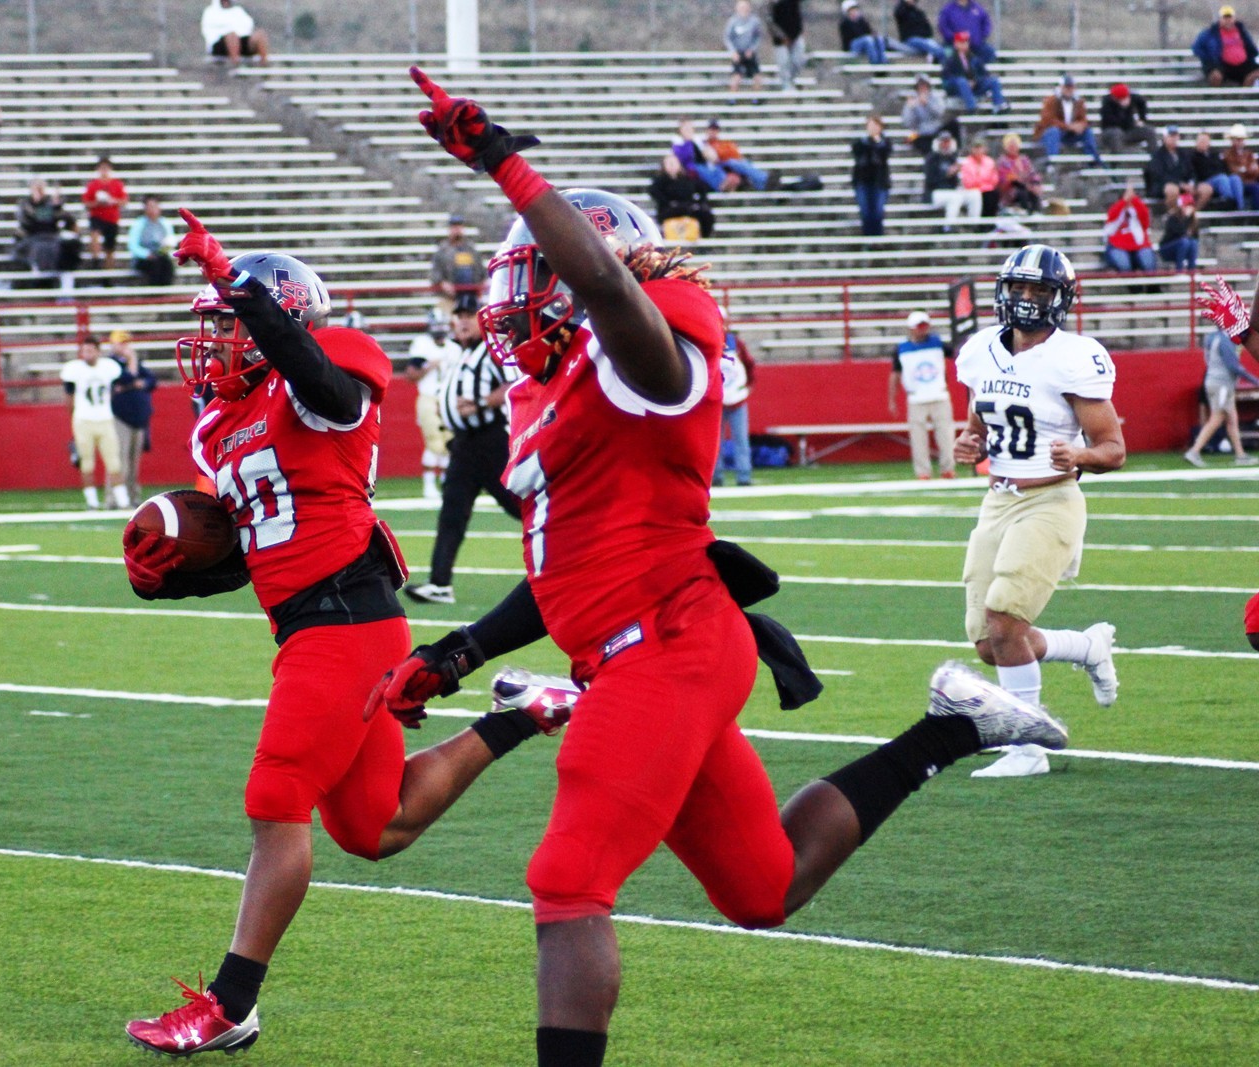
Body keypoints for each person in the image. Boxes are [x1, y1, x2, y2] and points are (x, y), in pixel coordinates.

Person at [390, 69, 1072, 1067]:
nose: (509, 296)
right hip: (634, 643)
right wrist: (455, 651)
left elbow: (615, 295)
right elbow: (568, 571)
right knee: (764, 886)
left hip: (665, 645)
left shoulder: (647, 356)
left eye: (535, 272)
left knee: (566, 872)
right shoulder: (548, 393)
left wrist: (506, 161)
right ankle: (952, 723)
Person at [121, 214, 563, 1055]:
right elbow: (253, 551)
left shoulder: (328, 374)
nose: (211, 342)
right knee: (374, 823)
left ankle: (229, 1003)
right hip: (314, 623)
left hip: (346, 618)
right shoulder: (217, 425)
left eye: (225, 324)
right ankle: (521, 710)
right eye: (210, 324)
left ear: (270, 319)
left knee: (275, 797)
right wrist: (170, 575)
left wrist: (240, 286)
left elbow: (324, 387)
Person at [951, 245, 1123, 777]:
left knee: (1006, 619)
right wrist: (972, 442)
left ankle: (1028, 745)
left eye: (1040, 290)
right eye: (1020, 289)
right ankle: (1086, 646)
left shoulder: (1074, 354)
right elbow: (982, 419)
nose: (1027, 299)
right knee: (988, 642)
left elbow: (1112, 448)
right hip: (998, 498)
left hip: (1050, 498)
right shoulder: (980, 350)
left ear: (1060, 299)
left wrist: (1080, 455)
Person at [405, 295, 522, 605]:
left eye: (470, 314)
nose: (463, 320)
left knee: (521, 505)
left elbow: (515, 384)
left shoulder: (492, 351)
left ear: (481, 319)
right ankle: (439, 583)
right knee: (451, 514)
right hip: (465, 444)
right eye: (459, 315)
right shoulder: (459, 353)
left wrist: (482, 404)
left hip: (489, 441)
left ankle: (569, 551)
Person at [60, 336, 128, 510]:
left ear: (98, 351)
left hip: (105, 419)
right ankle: (92, 502)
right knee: (86, 463)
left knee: (114, 462)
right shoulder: (74, 369)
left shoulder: (109, 367)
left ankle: (123, 501)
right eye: (84, 351)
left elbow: (117, 387)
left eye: (90, 350)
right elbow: (69, 396)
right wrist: (74, 417)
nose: (87, 354)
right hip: (83, 420)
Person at [889, 311, 957, 479]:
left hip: (939, 395)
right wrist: (892, 399)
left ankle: (948, 469)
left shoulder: (937, 343)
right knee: (918, 438)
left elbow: (957, 355)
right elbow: (895, 374)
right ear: (911, 328)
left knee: (946, 436)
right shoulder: (901, 349)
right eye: (919, 327)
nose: (923, 330)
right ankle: (923, 472)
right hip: (916, 397)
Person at [405, 307, 460, 499]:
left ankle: (446, 482)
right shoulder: (422, 344)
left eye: (442, 324)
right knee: (434, 442)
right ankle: (429, 485)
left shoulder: (455, 347)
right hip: (429, 397)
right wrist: (429, 366)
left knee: (448, 443)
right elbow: (411, 374)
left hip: (449, 399)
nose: (439, 329)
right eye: (436, 324)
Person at [1184, 325, 1259, 467]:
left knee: (1232, 419)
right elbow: (1233, 366)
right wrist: (1254, 380)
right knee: (1217, 418)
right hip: (1222, 384)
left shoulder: (1213, 337)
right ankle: (1194, 451)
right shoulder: (1225, 339)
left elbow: (1209, 359)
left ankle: (1240, 454)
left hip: (1218, 381)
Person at [108, 330, 157, 506]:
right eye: (121, 343)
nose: (125, 347)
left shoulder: (132, 363)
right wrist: (132, 363)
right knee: (119, 461)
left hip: (139, 418)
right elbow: (128, 376)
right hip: (120, 417)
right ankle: (114, 499)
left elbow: (151, 380)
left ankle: (132, 497)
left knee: (133, 463)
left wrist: (134, 382)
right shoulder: (111, 363)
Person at [715, 310, 755, 487]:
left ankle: (744, 476)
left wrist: (748, 385)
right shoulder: (708, 340)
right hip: (716, 400)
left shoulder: (736, 343)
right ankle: (715, 476)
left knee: (741, 439)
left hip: (736, 398)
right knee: (715, 442)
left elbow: (748, 363)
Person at [1034, 75, 1103, 167]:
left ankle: (1093, 160)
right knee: (1053, 131)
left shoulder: (1079, 101)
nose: (1069, 90)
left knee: (1088, 132)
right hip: (1053, 132)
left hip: (1069, 133)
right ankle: (1052, 161)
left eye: (1071, 87)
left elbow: (1084, 118)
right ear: (1061, 87)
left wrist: (1080, 125)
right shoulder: (1051, 100)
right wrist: (1069, 126)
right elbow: (1048, 120)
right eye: (1067, 87)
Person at [1144, 127, 1214, 211]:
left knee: (1206, 189)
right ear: (1165, 138)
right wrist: (1180, 184)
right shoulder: (1158, 155)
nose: (1174, 139)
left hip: (1184, 185)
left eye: (1175, 136)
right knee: (1172, 190)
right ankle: (1174, 215)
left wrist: (1192, 183)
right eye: (1171, 136)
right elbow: (1159, 175)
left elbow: (1191, 171)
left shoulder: (1183, 154)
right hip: (1163, 187)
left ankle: (1192, 214)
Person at [649, 152, 715, 241]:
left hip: (688, 207)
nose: (672, 166)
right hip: (668, 209)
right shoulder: (659, 181)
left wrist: (699, 202)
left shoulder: (688, 179)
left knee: (705, 213)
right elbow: (655, 193)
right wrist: (668, 203)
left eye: (674, 163)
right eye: (669, 163)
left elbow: (702, 189)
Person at [941, 30, 1008, 114]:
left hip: (974, 87)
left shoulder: (974, 58)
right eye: (961, 42)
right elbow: (946, 77)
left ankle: (998, 105)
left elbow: (984, 74)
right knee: (962, 81)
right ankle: (972, 107)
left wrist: (975, 81)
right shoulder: (950, 59)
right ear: (956, 44)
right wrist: (964, 81)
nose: (964, 45)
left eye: (966, 42)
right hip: (957, 89)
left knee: (994, 80)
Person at [429, 212, 480, 317]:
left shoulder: (470, 248)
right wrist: (443, 284)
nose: (457, 229)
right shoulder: (442, 250)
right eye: (454, 226)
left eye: (459, 226)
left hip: (471, 298)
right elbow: (435, 274)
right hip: (450, 299)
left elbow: (480, 271)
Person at [1194, 5, 1259, 87]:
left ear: (1234, 18)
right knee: (1215, 76)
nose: (1228, 21)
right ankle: (1215, 97)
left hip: (1242, 65)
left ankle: (1244, 95)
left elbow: (1250, 48)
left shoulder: (1242, 32)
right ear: (1220, 19)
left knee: (1254, 73)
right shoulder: (1210, 33)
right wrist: (1209, 59)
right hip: (1221, 65)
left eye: (1230, 18)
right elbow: (1197, 48)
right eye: (1225, 18)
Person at [701, 119, 774, 191]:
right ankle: (764, 179)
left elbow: (735, 153)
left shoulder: (723, 143)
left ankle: (763, 184)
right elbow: (714, 157)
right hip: (720, 167)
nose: (713, 131)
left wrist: (723, 154)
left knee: (743, 162)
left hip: (730, 164)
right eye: (711, 129)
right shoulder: (704, 144)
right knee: (736, 163)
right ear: (707, 130)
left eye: (715, 129)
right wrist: (724, 154)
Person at [13, 177, 67, 274]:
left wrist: (57, 205)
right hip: (32, 236)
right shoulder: (25, 203)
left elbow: (59, 217)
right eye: (37, 188)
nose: (40, 191)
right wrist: (40, 209)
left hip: (50, 236)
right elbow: (28, 219)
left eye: (41, 188)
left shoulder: (51, 203)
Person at [82, 156, 127, 271]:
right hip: (97, 216)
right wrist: (97, 203)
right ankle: (96, 258)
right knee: (95, 234)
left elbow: (124, 201)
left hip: (111, 219)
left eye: (106, 168)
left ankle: (108, 274)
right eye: (102, 168)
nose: (104, 171)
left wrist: (113, 201)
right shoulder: (93, 185)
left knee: (110, 248)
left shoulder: (117, 184)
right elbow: (86, 202)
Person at [926, 132, 981, 224]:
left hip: (952, 190)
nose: (945, 144)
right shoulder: (931, 158)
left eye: (947, 142)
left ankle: (974, 224)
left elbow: (954, 182)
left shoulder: (952, 158)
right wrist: (946, 174)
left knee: (975, 194)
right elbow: (930, 180)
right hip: (936, 192)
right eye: (943, 142)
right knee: (955, 197)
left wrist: (956, 174)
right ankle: (949, 226)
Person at [851, 113, 892, 237]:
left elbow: (885, 154)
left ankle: (878, 238)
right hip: (863, 181)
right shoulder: (861, 142)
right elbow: (856, 152)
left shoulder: (885, 142)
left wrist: (877, 142)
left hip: (879, 182)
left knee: (878, 212)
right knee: (865, 212)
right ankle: (867, 237)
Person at [1102, 183, 1157, 272]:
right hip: (1117, 246)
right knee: (1124, 265)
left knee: (1148, 263)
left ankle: (1152, 285)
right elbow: (1112, 214)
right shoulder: (1116, 210)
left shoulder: (1137, 212)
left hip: (1139, 246)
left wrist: (1134, 199)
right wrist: (1124, 201)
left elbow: (1145, 216)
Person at [901, 75, 961, 155]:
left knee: (954, 123)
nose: (922, 88)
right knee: (912, 138)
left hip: (936, 129)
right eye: (920, 86)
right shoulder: (912, 100)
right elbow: (908, 123)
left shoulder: (935, 97)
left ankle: (957, 150)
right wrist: (911, 108)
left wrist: (927, 104)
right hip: (922, 133)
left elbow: (940, 112)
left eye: (924, 85)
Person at [126, 194, 177, 286]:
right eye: (149, 206)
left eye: (154, 206)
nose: (152, 209)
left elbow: (170, 240)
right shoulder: (139, 224)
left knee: (166, 264)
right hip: (144, 259)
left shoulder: (165, 223)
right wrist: (146, 254)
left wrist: (165, 250)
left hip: (161, 255)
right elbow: (133, 245)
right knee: (155, 264)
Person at [201, 0, 270, 65]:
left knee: (260, 35)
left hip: (241, 40)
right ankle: (236, 65)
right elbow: (208, 30)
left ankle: (264, 65)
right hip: (219, 44)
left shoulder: (238, 11)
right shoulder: (211, 12)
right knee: (232, 36)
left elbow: (248, 25)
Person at [1191, 130, 1244, 209]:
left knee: (1235, 179)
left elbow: (1224, 167)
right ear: (1197, 142)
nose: (1203, 143)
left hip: (1220, 177)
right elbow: (1193, 172)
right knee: (1222, 178)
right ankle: (1228, 202)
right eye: (1201, 140)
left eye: (1206, 141)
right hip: (1205, 181)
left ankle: (1240, 208)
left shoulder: (1214, 155)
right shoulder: (1192, 156)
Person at [839, 0, 905, 64]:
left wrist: (874, 34)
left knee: (880, 39)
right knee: (868, 40)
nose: (854, 11)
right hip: (853, 45)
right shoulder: (845, 23)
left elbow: (868, 31)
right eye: (851, 10)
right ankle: (875, 62)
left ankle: (883, 61)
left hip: (864, 42)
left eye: (855, 9)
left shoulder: (861, 20)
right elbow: (852, 37)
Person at [1099, 83, 1154, 155]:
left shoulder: (1132, 97)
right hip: (1111, 132)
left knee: (1149, 131)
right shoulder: (1107, 102)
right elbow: (1110, 121)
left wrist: (1142, 119)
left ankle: (1154, 158)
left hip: (1129, 130)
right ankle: (1117, 162)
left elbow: (1142, 103)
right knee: (1116, 133)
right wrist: (1122, 108)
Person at [723, 0, 765, 93]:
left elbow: (758, 37)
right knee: (736, 77)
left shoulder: (755, 21)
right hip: (738, 54)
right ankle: (732, 100)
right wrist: (733, 52)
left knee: (757, 77)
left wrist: (752, 49)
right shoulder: (733, 21)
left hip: (750, 54)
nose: (743, 9)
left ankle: (756, 100)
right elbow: (727, 38)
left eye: (745, 7)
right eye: (741, 7)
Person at [996, 132, 1043, 213]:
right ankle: (1024, 212)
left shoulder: (1024, 159)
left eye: (1015, 145)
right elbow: (1003, 177)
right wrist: (1018, 178)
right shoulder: (1002, 161)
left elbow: (1032, 173)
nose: (1013, 148)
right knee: (1022, 192)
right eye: (1010, 145)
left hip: (1026, 186)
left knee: (1034, 191)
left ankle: (1036, 212)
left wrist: (1035, 183)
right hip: (1010, 189)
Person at [768, 0, 805, 90]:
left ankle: (791, 80)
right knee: (784, 63)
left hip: (795, 37)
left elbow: (797, 19)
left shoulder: (793, 3)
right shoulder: (773, 4)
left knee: (798, 60)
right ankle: (786, 85)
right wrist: (783, 37)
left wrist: (794, 36)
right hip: (780, 41)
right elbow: (771, 23)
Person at [1160, 192, 1200, 272]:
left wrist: (1189, 220)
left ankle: (1192, 270)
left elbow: (1195, 237)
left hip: (1183, 248)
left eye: (1191, 205)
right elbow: (1179, 232)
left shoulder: (1193, 221)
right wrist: (1186, 219)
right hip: (1167, 249)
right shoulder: (1173, 218)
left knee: (1193, 243)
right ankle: (1179, 270)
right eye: (1186, 205)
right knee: (1184, 242)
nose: (1189, 208)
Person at [962, 137, 1001, 218]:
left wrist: (981, 183)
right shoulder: (967, 162)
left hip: (988, 190)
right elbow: (968, 182)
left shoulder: (989, 161)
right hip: (973, 191)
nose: (978, 150)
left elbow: (994, 180)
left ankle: (990, 223)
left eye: (980, 147)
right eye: (976, 148)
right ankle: (978, 224)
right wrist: (982, 183)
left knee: (992, 195)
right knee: (977, 196)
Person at [1223, 123, 1259, 209]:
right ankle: (1240, 208)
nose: (1240, 142)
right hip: (1237, 183)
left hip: (1249, 181)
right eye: (1237, 139)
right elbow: (1233, 170)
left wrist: (1245, 170)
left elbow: (1255, 171)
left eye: (1241, 139)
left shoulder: (1249, 154)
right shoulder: (1228, 154)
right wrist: (1247, 169)